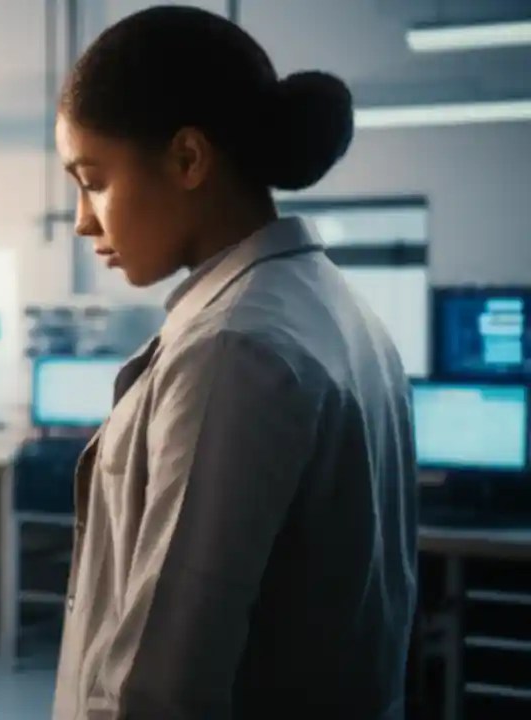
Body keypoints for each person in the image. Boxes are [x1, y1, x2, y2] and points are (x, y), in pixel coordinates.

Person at [51, 7, 416, 720]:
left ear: (189, 159)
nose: (82, 219)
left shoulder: (231, 348)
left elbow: (162, 687)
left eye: (92, 179)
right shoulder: (335, 310)